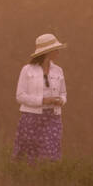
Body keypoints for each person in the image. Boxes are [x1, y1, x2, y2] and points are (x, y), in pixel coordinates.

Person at [12, 33, 67, 163]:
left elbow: (63, 93)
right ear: (47, 52)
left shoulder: (58, 71)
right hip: (31, 117)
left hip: (53, 116)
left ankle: (48, 179)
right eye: (55, 49)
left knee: (51, 153)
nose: (58, 52)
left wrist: (61, 101)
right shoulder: (27, 70)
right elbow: (20, 96)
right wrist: (42, 101)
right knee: (28, 154)